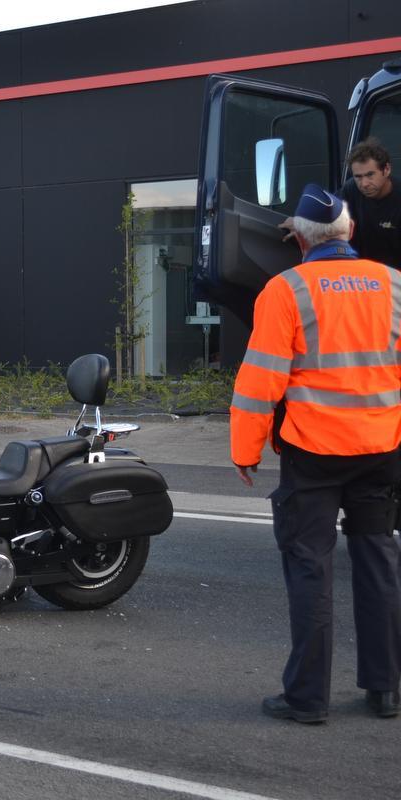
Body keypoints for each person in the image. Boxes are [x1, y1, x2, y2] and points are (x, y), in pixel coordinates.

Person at [231, 183, 401, 723]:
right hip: (380, 448)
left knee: (311, 568)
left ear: (300, 240)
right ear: (350, 232)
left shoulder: (287, 290)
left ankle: (307, 698)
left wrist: (246, 448)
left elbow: (261, 381)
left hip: (314, 453)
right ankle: (385, 688)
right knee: (378, 562)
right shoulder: (394, 285)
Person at [341, 138, 401, 268]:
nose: (364, 184)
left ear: (386, 169)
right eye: (358, 177)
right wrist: (301, 222)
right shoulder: (351, 189)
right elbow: (327, 209)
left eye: (370, 175)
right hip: (362, 274)